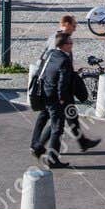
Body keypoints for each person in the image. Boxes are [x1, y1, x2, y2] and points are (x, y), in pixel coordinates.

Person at [36, 15, 100, 151]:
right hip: (57, 90)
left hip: (59, 88)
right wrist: (62, 97)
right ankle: (39, 146)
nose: (75, 29)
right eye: (74, 26)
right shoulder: (57, 40)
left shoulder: (63, 39)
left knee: (70, 117)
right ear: (66, 24)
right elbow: (51, 64)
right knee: (54, 121)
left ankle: (82, 142)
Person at [31, 30, 81, 168]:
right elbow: (62, 82)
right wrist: (62, 99)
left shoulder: (51, 54)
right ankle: (52, 160)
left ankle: (38, 147)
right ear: (63, 45)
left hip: (46, 95)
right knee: (57, 129)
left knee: (53, 124)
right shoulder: (65, 60)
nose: (72, 45)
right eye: (69, 42)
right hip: (57, 99)